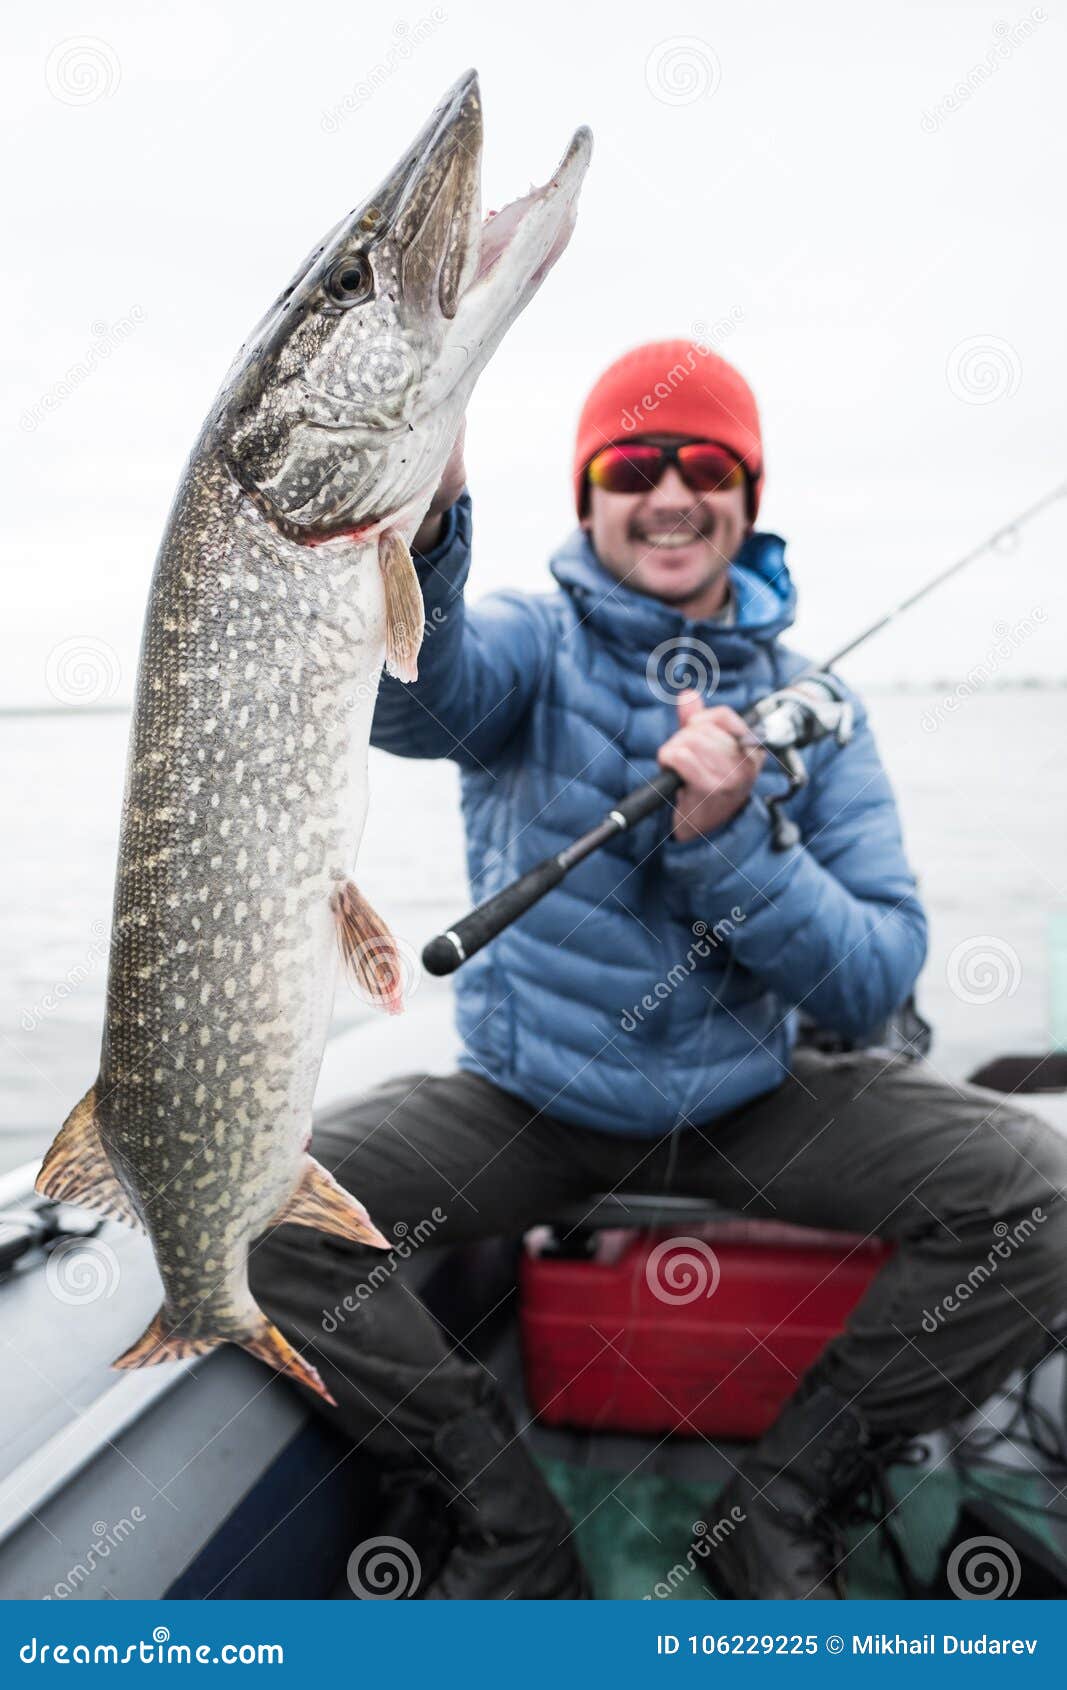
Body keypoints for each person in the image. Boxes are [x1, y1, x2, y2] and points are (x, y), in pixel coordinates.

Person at [251, 340, 1067, 1600]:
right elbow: (415, 697)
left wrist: (731, 843)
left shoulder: (816, 709)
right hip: (528, 1103)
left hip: (754, 1099)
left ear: (746, 495)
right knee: (261, 1213)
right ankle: (504, 1515)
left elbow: (874, 975)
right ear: (589, 497)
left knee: (1039, 1197)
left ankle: (784, 1493)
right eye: (634, 463)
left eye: (707, 463)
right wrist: (428, 518)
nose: (671, 490)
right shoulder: (532, 645)